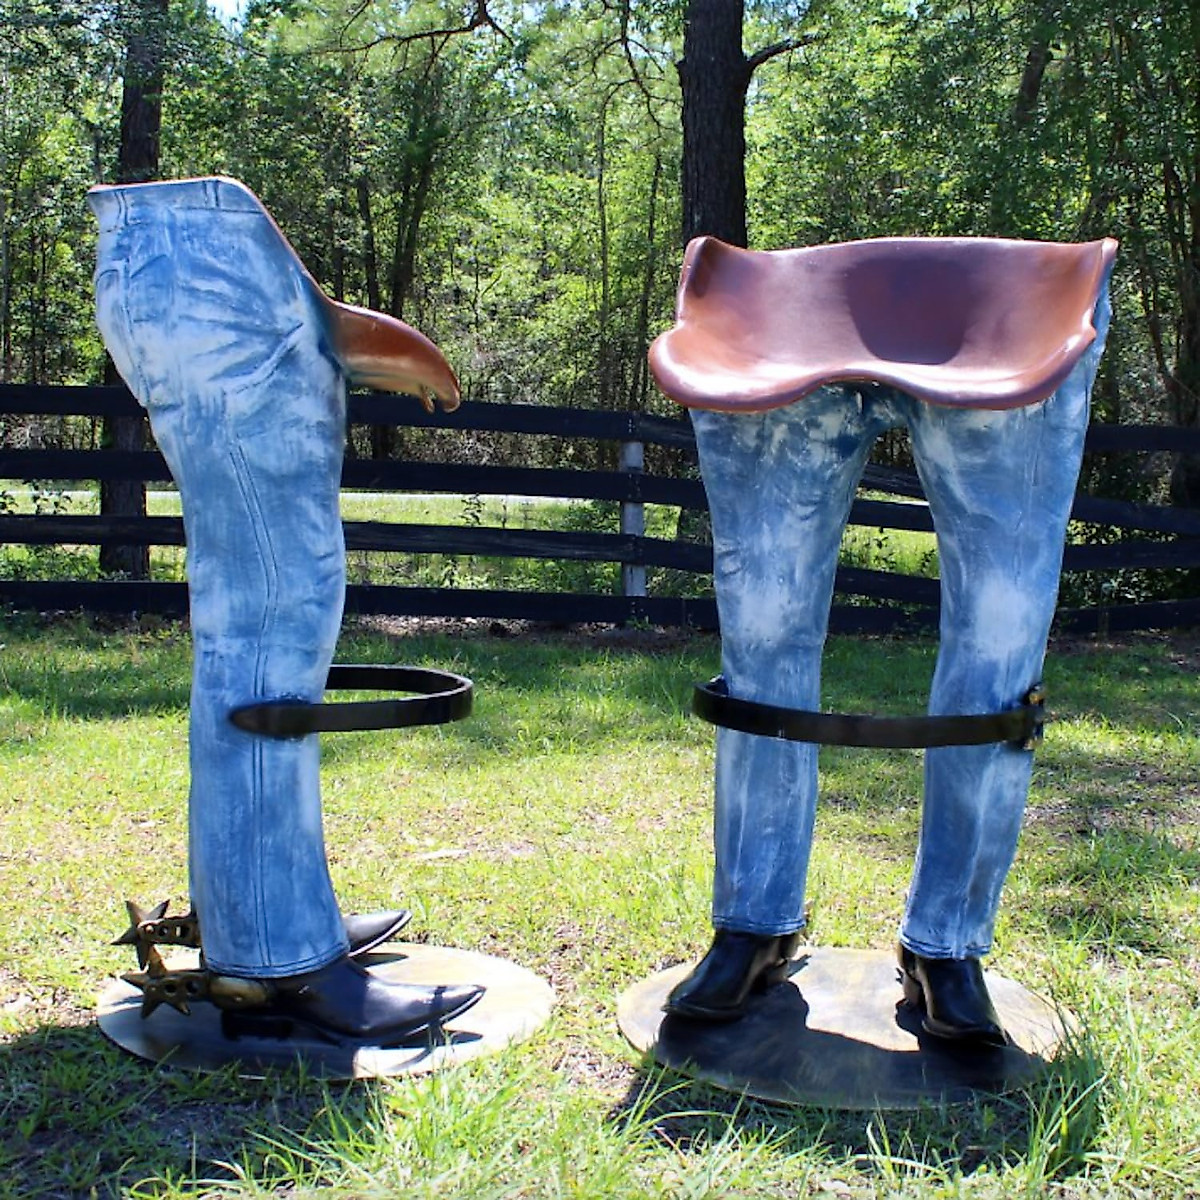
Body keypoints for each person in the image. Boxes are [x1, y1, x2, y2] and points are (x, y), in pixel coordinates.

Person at [650, 235, 1116, 1044]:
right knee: (762, 628)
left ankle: (947, 946)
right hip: (780, 326)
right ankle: (754, 926)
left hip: (1004, 326)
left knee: (1002, 634)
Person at [89, 176, 481, 1045]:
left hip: (152, 255)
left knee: (253, 631)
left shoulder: (162, 249)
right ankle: (275, 959)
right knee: (275, 619)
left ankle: (264, 916)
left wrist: (324, 326)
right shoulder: (210, 244)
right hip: (214, 260)